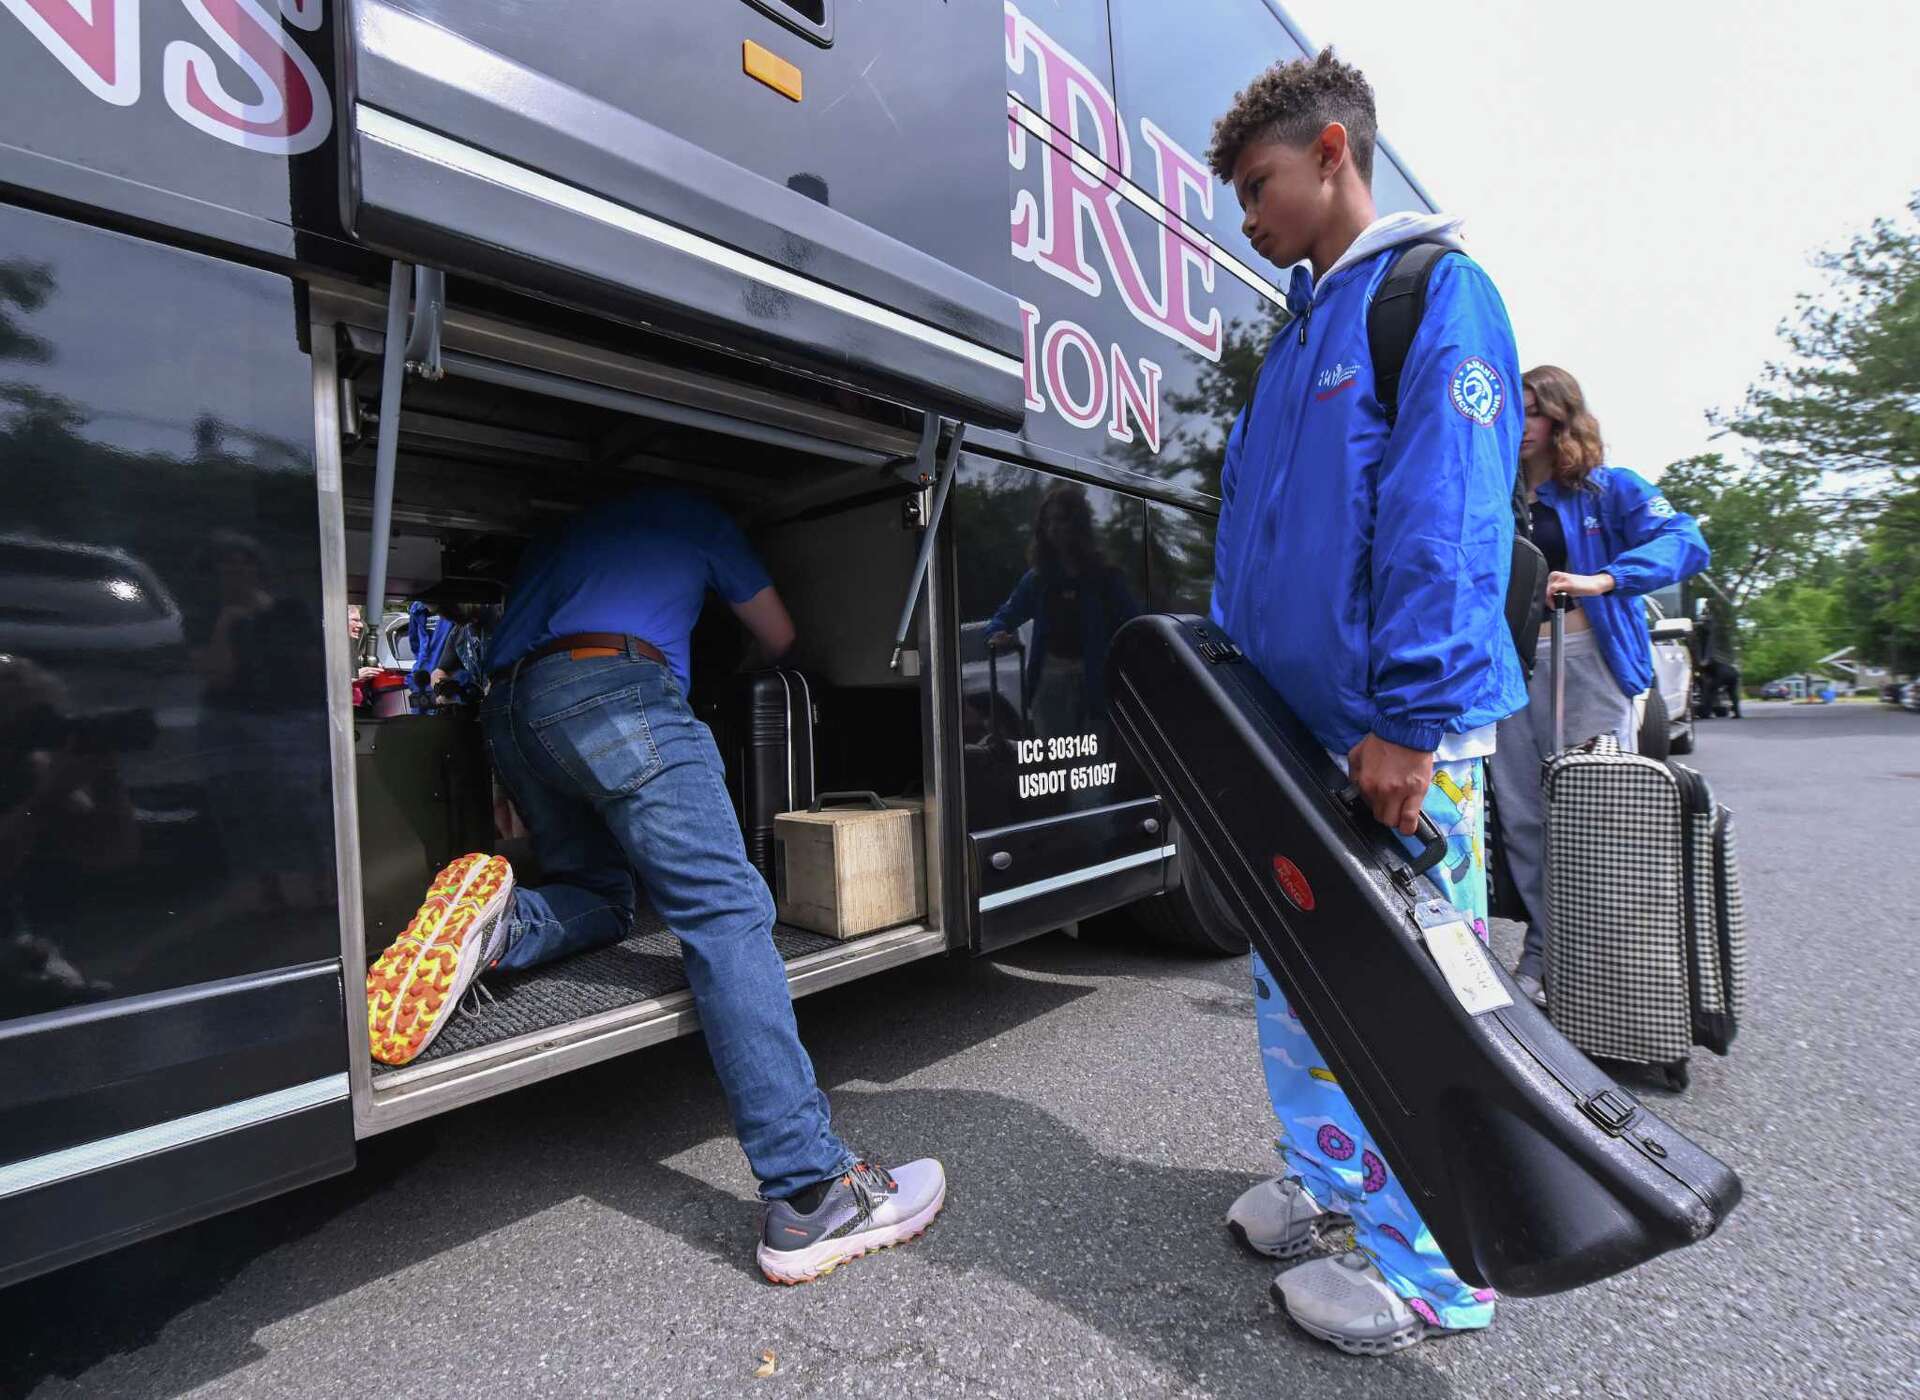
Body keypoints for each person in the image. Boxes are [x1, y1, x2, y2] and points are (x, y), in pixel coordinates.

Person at [363, 485, 945, 1284]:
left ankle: (504, 925)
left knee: (601, 896)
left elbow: (498, 658)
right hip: (619, 689)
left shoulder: (561, 532)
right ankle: (813, 1194)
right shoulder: (698, 516)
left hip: (514, 717)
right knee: (728, 911)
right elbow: (778, 637)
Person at [1203, 50, 1526, 1354]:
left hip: (1399, 735)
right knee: (1301, 983)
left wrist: (1410, 719)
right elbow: (1255, 538)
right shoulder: (1303, 329)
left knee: (1412, 1004)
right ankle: (1335, 1183)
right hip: (1296, 739)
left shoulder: (1431, 295)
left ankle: (1444, 1270)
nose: (1247, 214)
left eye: (1260, 183)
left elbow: (1450, 526)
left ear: (1333, 151)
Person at [1491, 366, 1710, 1002]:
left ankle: (1604, 965)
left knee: (1593, 814)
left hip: (1584, 659)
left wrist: (1604, 579)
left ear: (1562, 419)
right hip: (1506, 667)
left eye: (1536, 412)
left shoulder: (1604, 490)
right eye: (1516, 410)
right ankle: (1544, 950)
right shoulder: (1492, 491)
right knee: (1523, 818)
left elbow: (1685, 540)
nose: (1524, 424)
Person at [984, 482, 1139, 739]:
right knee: (1054, 766)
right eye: (1047, 522)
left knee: (1090, 768)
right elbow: (1004, 616)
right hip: (1050, 682)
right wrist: (997, 633)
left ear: (1077, 524)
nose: (1053, 528)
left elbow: (1132, 627)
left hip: (1094, 684)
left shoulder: (1105, 577)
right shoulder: (1038, 579)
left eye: (1061, 520)